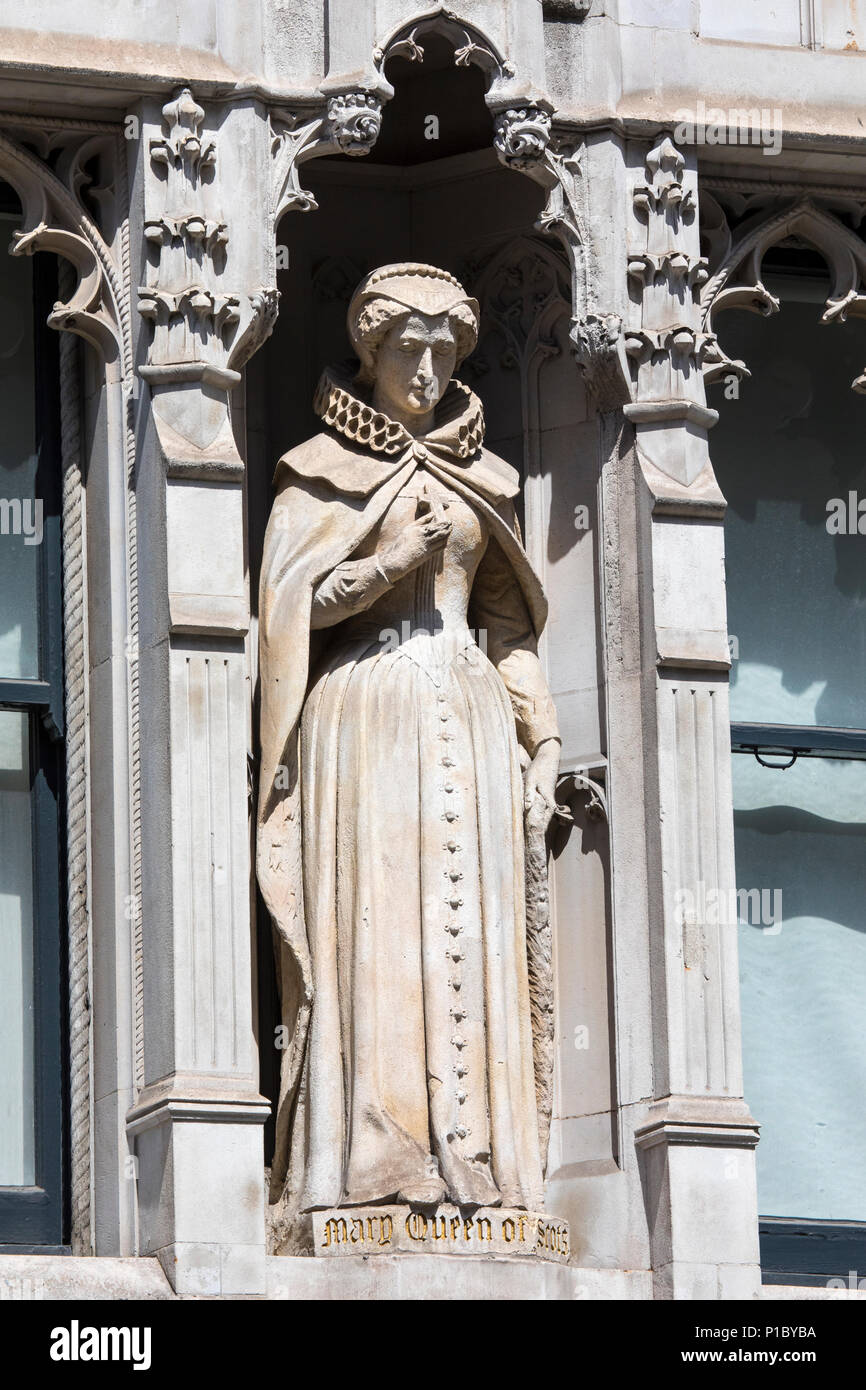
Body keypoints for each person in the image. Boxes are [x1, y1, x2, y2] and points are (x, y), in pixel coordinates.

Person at [257, 263, 561, 1250]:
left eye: (444, 350)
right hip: (366, 716)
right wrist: (386, 564)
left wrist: (543, 738)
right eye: (407, 348)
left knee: (469, 933)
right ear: (370, 351)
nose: (426, 369)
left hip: (470, 713)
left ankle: (484, 1168)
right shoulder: (316, 468)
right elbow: (289, 612)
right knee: (381, 931)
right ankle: (375, 1162)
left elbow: (511, 629)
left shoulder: (491, 481)